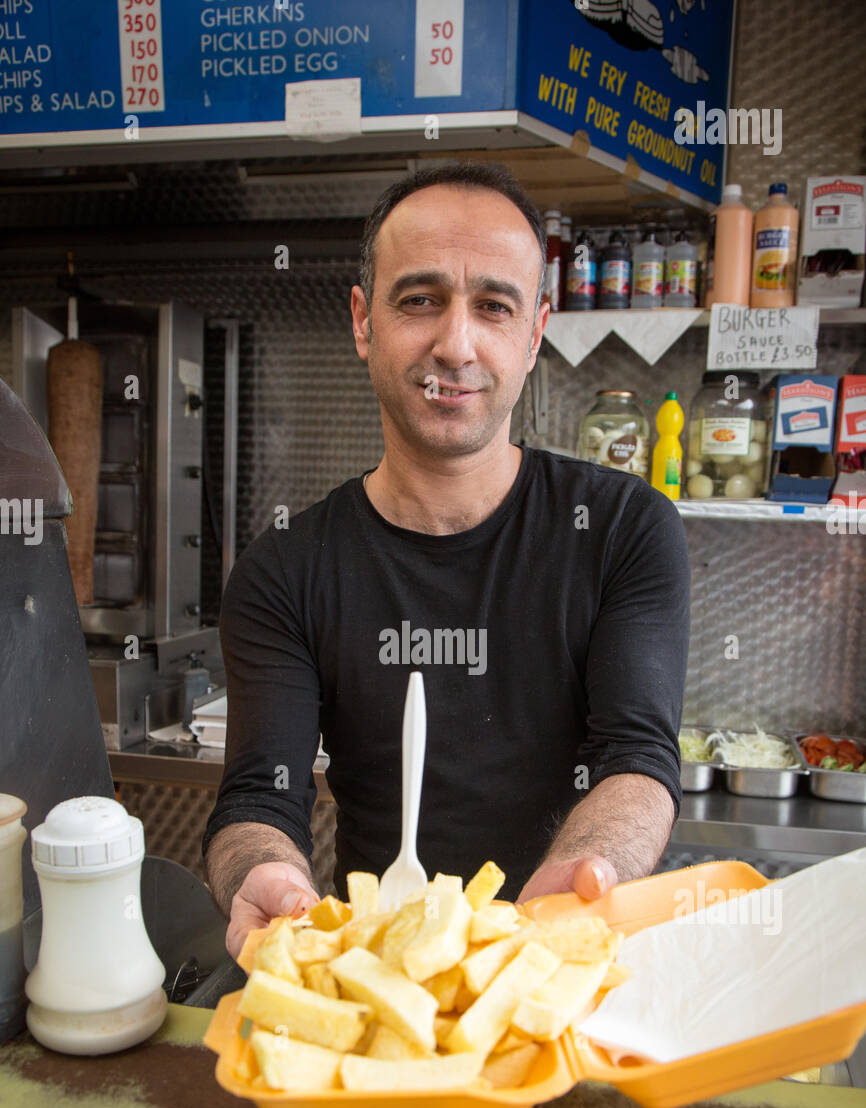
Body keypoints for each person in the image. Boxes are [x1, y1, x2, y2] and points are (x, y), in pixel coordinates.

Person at [202, 162, 690, 960]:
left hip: (560, 954)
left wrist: (585, 866)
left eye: (493, 306)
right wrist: (264, 872)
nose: (455, 344)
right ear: (363, 322)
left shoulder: (622, 528)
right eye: (419, 300)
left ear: (534, 333)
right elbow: (260, 795)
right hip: (378, 966)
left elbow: (638, 757)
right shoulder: (284, 571)